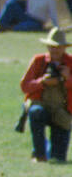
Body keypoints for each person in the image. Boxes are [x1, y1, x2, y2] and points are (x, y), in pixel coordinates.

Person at [19, 28, 72, 163]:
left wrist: (67, 78)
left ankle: (48, 149)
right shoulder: (39, 61)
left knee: (58, 158)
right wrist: (42, 82)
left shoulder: (70, 62)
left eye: (58, 47)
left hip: (62, 110)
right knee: (36, 112)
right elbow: (24, 86)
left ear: (64, 48)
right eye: (51, 47)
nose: (54, 50)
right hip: (40, 104)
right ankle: (39, 154)